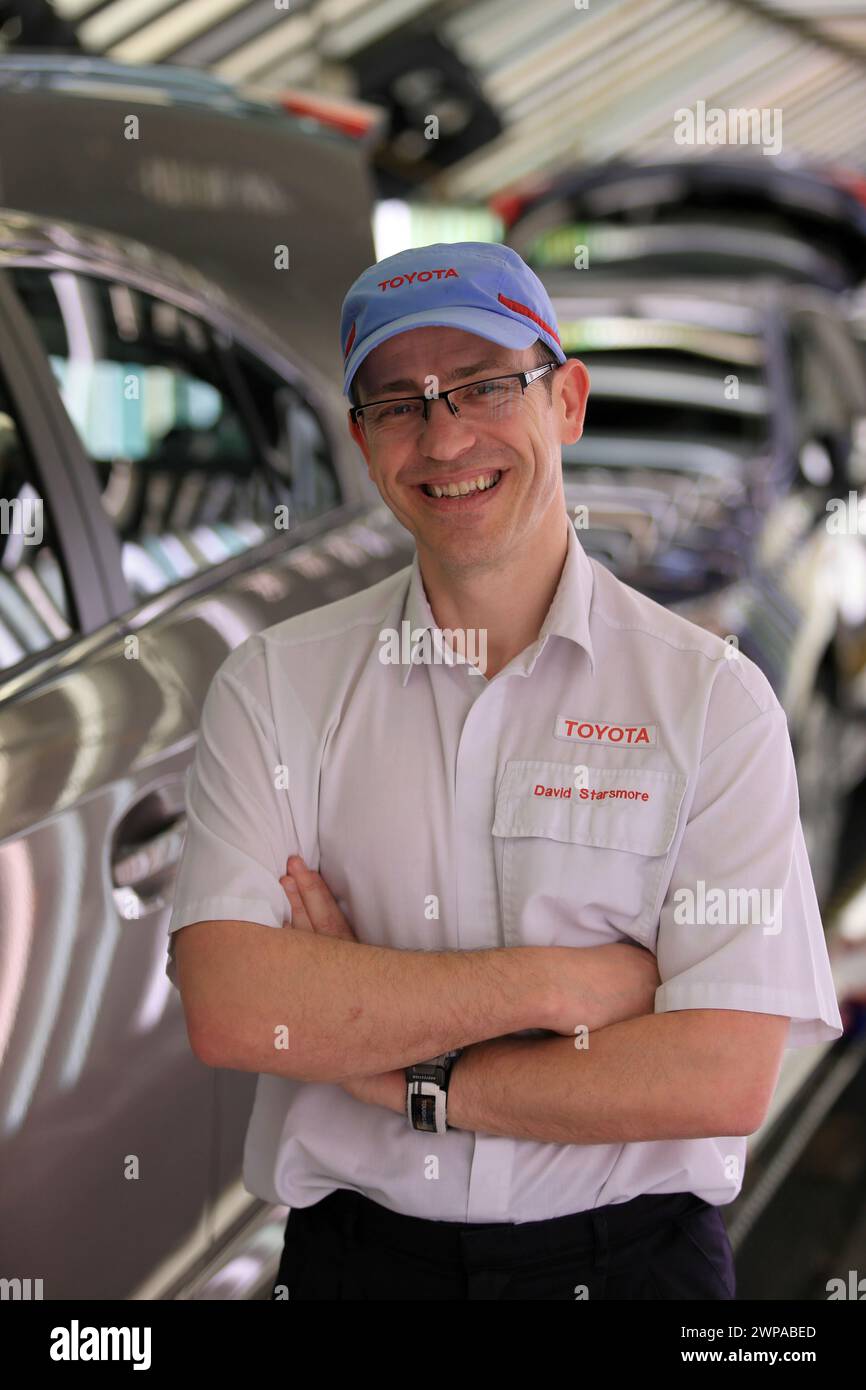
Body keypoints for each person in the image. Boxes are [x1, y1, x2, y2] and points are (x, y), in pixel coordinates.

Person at [167, 241, 843, 1300]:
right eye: (400, 404)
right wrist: (557, 985)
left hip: (631, 1267)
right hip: (360, 1270)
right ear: (362, 440)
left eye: (485, 385)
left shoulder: (711, 701)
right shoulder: (275, 687)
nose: (444, 437)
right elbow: (236, 1006)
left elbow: (716, 1074)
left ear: (565, 401)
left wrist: (409, 1079)